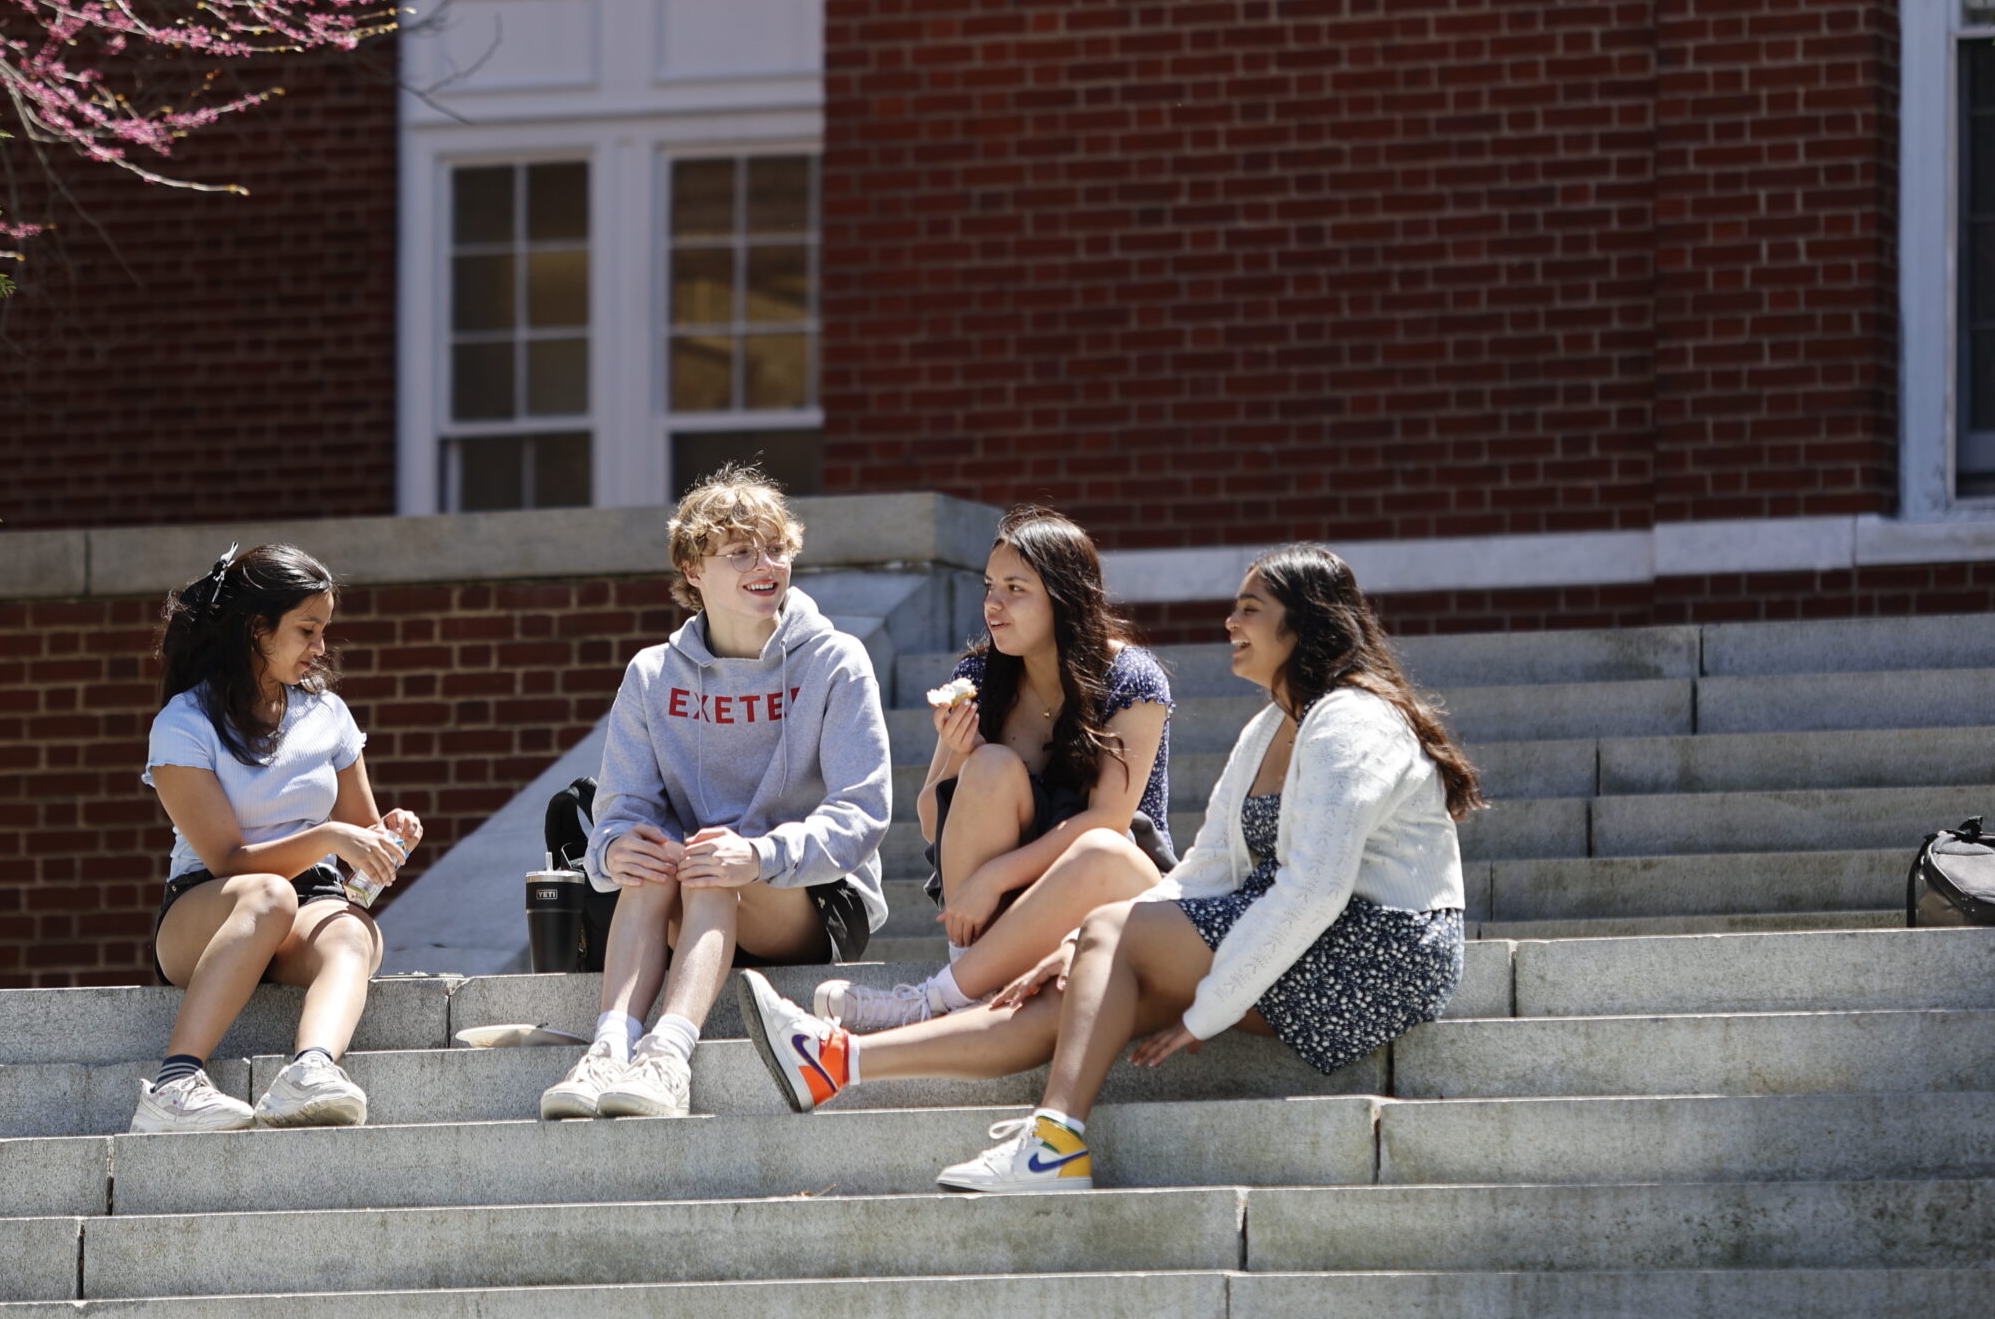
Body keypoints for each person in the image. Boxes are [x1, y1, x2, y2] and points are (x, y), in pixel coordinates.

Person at [736, 542, 1483, 1193]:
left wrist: (1206, 1007)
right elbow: (1209, 865)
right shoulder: (1268, 728)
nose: (1230, 622)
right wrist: (1086, 939)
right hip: (1298, 931)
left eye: (1250, 608)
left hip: (1379, 952)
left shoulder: (1353, 722)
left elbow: (1315, 889)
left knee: (1103, 950)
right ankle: (838, 1060)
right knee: (1072, 995)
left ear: (1304, 623)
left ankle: (1053, 1140)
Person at [540, 464, 892, 1122]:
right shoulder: (651, 674)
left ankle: (669, 1057)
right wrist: (614, 851)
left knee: (707, 860)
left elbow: (862, 815)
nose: (767, 565)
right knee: (654, 855)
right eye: (740, 552)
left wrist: (757, 854)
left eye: (777, 548)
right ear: (692, 569)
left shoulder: (835, 660)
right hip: (693, 888)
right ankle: (609, 1048)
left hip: (813, 896)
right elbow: (618, 816)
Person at [814, 505, 1177, 1033]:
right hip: (1000, 910)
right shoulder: (980, 677)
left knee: (1101, 848)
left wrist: (993, 877)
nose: (993, 605)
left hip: (1113, 888)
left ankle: (936, 999)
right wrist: (962, 750)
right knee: (988, 766)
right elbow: (929, 819)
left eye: (1015, 589)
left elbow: (1107, 821)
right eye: (989, 587)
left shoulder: (1131, 678)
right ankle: (970, 976)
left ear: (1064, 597)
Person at [130, 544, 423, 1134]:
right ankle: (174, 1085)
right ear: (254, 630)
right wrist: (328, 836)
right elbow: (226, 859)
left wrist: (386, 841)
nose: (321, 647)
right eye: (307, 630)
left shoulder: (328, 715)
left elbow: (356, 851)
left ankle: (310, 1072)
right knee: (267, 893)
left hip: (307, 906)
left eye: (324, 630)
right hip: (210, 907)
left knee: (350, 928)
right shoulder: (184, 724)